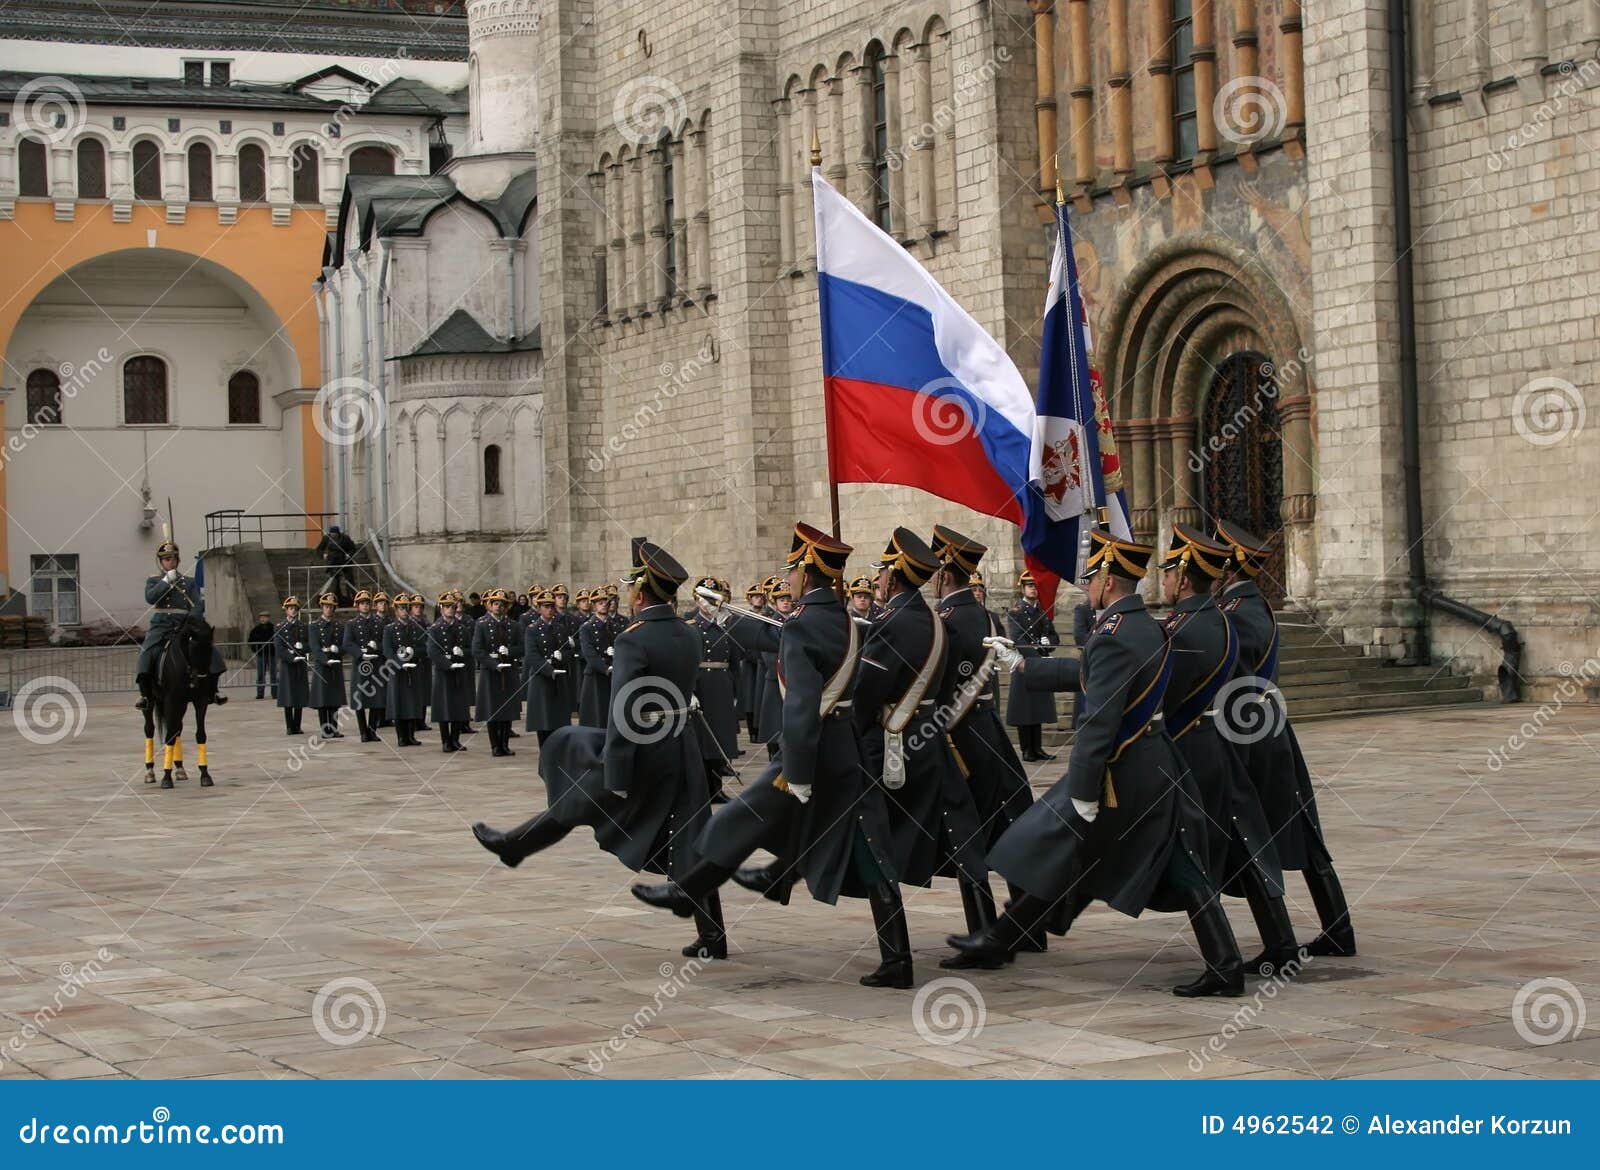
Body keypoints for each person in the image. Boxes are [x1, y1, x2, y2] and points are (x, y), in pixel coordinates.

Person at [948, 527, 1245, 998]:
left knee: (1063, 847)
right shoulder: (1142, 625)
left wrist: (1083, 790)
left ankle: (1003, 935)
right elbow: (1091, 674)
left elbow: (1099, 719)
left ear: (1107, 581)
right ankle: (1004, 936)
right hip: (1156, 761)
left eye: (1090, 578)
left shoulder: (1113, 634)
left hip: (1124, 771)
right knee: (1093, 860)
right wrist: (1024, 665)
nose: (1084, 585)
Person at [632, 524, 910, 987]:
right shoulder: (843, 619)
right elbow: (780, 638)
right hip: (844, 747)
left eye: (793, 570)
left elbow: (800, 702)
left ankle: (688, 891)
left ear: (807, 572)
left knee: (736, 820)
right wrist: (725, 617)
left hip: (812, 751)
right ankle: (894, 958)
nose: (789, 579)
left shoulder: (805, 622)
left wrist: (797, 772)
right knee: (869, 849)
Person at [473, 539, 719, 955]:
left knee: (582, 799)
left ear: (640, 595)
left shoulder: (633, 639)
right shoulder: (688, 634)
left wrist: (618, 770)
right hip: (683, 743)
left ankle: (515, 846)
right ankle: (713, 935)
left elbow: (623, 708)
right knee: (689, 835)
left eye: (629, 589)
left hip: (644, 747)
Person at [854, 528, 999, 970]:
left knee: (879, 835)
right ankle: (989, 934)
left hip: (934, 735)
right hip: (945, 736)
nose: (876, 580)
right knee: (967, 835)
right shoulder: (960, 617)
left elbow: (900, 685)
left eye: (881, 572)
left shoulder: (946, 619)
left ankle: (897, 957)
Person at [1159, 525, 1300, 975]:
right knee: (1243, 844)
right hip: (1224, 740)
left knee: (1196, 850)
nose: (1161, 580)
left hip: (1212, 743)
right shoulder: (1218, 615)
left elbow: (1170, 682)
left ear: (1182, 576)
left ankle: (1224, 963)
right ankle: (1280, 943)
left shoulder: (1208, 621)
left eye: (1166, 572)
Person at [1216, 521, 1356, 961]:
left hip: (1253, 736)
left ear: (1231, 565)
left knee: (1256, 835)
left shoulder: (1239, 613)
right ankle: (1338, 930)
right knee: (1302, 834)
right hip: (1268, 729)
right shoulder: (1250, 606)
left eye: (1220, 559)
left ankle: (1282, 945)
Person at [928, 526, 1042, 957]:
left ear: (943, 574)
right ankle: (1030, 930)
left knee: (966, 835)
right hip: (989, 728)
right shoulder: (982, 615)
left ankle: (986, 936)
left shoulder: (948, 621)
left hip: (961, 738)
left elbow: (938, 685)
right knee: (1010, 826)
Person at [135, 540, 227, 711]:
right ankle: (145, 694)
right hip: (162, 625)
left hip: (184, 624)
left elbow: (198, 604)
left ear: (178, 561)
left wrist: (191, 620)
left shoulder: (189, 582)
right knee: (146, 652)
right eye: (166, 559)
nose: (170, 562)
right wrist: (166, 581)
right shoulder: (154, 580)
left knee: (208, 649)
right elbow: (151, 598)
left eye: (173, 559)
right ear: (160, 562)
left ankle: (213, 689)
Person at [688, 576, 741, 799]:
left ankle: (716, 788)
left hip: (722, 684)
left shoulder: (728, 624)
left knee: (718, 737)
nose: (708, 604)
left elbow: (736, 660)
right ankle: (701, 789)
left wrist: (736, 690)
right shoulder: (690, 627)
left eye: (713, 599)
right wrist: (688, 690)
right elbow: (685, 661)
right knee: (701, 740)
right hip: (700, 685)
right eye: (704, 599)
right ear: (696, 600)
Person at [1006, 571, 1060, 761]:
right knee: (1025, 709)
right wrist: (1037, 653)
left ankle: (1037, 748)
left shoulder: (1043, 611)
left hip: (1039, 664)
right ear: (1023, 589)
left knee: (1038, 708)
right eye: (1030, 586)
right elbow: (1017, 639)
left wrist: (1048, 644)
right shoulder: (1015, 612)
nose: (1033, 589)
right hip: (1024, 664)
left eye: (1035, 586)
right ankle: (1026, 749)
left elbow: (1054, 637)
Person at [473, 588, 523, 756]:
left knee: (507, 709)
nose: (498, 607)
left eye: (502, 604)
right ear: (489, 605)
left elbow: (522, 647)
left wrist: (509, 651)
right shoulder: (481, 624)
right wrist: (493, 664)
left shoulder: (513, 625)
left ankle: (505, 744)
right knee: (492, 709)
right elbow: (477, 650)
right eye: (495, 604)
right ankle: (495, 745)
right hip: (491, 672)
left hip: (508, 671)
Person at [428, 590, 474, 753]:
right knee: (444, 707)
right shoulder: (435, 629)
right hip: (444, 672)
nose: (450, 610)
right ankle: (445, 741)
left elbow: (471, 649)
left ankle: (455, 739)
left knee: (458, 707)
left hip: (460, 671)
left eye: (453, 607)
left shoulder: (462, 629)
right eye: (447, 607)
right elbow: (432, 652)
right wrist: (447, 664)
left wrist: (463, 654)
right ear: (441, 609)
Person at [523, 589, 569, 746]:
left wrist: (562, 656)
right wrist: (548, 668)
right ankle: (545, 750)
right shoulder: (532, 629)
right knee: (543, 719)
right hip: (541, 678)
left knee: (558, 718)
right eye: (545, 606)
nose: (549, 609)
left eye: (551, 606)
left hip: (559, 678)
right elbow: (531, 655)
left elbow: (569, 650)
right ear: (539, 608)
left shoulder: (560, 628)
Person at [383, 592, 428, 747]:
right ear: (396, 610)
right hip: (398, 670)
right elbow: (387, 650)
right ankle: (401, 737)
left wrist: (414, 652)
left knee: (412, 703)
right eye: (401, 608)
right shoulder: (390, 629)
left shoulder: (416, 628)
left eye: (406, 608)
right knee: (399, 703)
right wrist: (400, 660)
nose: (404, 611)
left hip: (413, 669)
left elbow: (424, 647)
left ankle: (411, 735)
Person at [343, 590, 385, 742]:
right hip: (361, 664)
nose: (365, 606)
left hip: (375, 662)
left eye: (367, 603)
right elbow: (347, 643)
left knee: (376, 699)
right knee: (360, 699)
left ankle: (372, 730)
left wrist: (377, 646)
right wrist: (360, 653)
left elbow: (385, 643)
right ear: (357, 606)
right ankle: (363, 731)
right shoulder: (352, 624)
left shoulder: (378, 623)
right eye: (362, 604)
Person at [308, 592, 347, 738]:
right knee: (323, 700)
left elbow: (345, 645)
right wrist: (325, 659)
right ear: (321, 607)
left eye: (331, 606)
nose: (328, 609)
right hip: (322, 666)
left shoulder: (339, 626)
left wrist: (338, 651)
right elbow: (314, 647)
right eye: (326, 606)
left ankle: (334, 728)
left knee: (334, 700)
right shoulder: (314, 626)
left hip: (335, 664)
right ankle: (325, 730)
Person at [578, 587, 618, 727]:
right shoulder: (586, 627)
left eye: (605, 602)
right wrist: (606, 668)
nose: (604, 605)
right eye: (600, 603)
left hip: (614, 673)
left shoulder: (614, 625)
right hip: (596, 674)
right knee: (597, 716)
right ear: (594, 606)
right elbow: (589, 653)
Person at [735, 582, 769, 740]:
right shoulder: (745, 617)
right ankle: (752, 731)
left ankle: (761, 728)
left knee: (762, 696)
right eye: (756, 597)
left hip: (764, 661)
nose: (759, 600)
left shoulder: (768, 616)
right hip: (750, 662)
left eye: (761, 597)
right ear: (750, 599)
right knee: (749, 697)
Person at [273, 596, 309, 735]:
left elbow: (309, 644)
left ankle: (297, 725)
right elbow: (279, 648)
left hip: (300, 664)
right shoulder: (280, 627)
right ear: (286, 610)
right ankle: (289, 726)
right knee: (288, 696)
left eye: (295, 609)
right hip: (287, 665)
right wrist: (290, 657)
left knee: (299, 696)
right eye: (290, 609)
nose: (293, 611)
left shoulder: (302, 626)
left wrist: (303, 647)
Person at [316, 525, 357, 605]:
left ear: (338, 533)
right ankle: (335, 598)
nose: (333, 535)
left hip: (345, 562)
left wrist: (348, 555)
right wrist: (324, 555)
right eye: (332, 534)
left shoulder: (345, 538)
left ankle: (352, 598)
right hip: (333, 562)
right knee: (334, 582)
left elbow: (352, 548)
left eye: (334, 534)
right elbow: (319, 549)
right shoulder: (326, 538)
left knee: (349, 580)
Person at [247, 611, 276, 701]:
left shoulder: (273, 628)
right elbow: (250, 641)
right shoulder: (256, 630)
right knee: (260, 674)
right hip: (261, 654)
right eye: (261, 617)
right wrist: (256, 650)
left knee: (273, 674)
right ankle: (260, 693)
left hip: (272, 654)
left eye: (265, 617)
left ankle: (275, 693)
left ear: (268, 618)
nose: (263, 619)